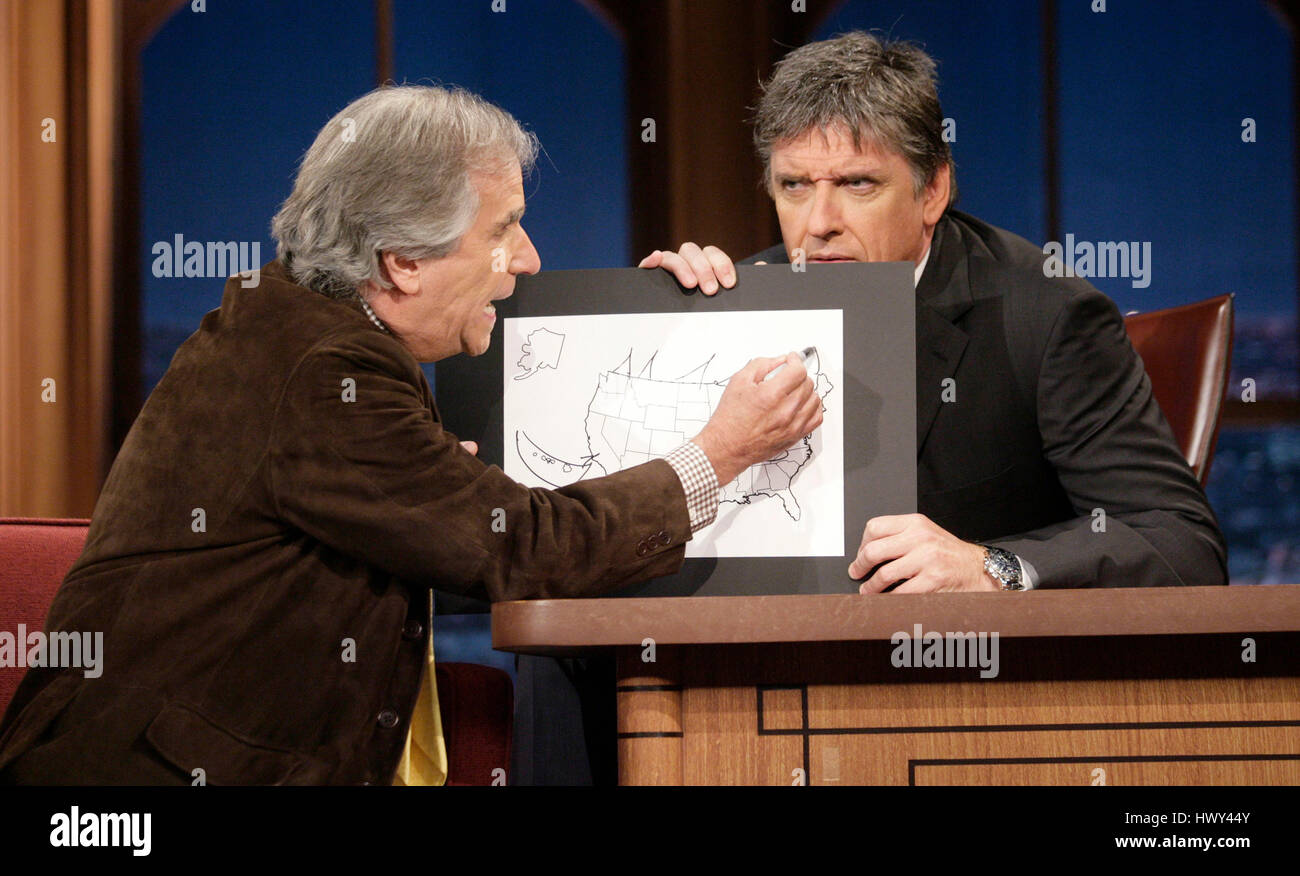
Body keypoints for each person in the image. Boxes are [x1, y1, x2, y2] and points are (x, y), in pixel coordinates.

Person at [0, 85, 822, 786]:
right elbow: (524, 547)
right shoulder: (325, 368)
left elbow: (439, 544)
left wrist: (634, 331)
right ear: (401, 262)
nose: (527, 260)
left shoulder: (292, 331)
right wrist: (720, 452)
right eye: (503, 229)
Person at [516, 30, 1227, 786]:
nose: (816, 222)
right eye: (794, 186)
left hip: (959, 684)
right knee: (559, 639)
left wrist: (995, 568)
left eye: (857, 184)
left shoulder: (1047, 315)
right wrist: (657, 326)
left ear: (932, 191)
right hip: (757, 662)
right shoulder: (735, 303)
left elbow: (1182, 544)